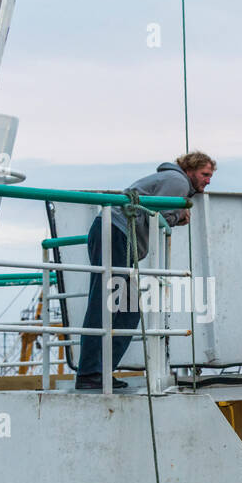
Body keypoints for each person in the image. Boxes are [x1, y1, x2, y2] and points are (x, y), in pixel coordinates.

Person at [75, 152, 216, 390]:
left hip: (115, 232)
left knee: (127, 309)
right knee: (105, 303)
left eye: (210, 176)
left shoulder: (173, 180)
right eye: (205, 174)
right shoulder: (178, 181)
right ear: (190, 170)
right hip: (116, 231)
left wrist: (175, 214)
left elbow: (151, 211)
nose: (208, 180)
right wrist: (179, 214)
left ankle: (99, 371)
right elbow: (156, 214)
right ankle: (90, 373)